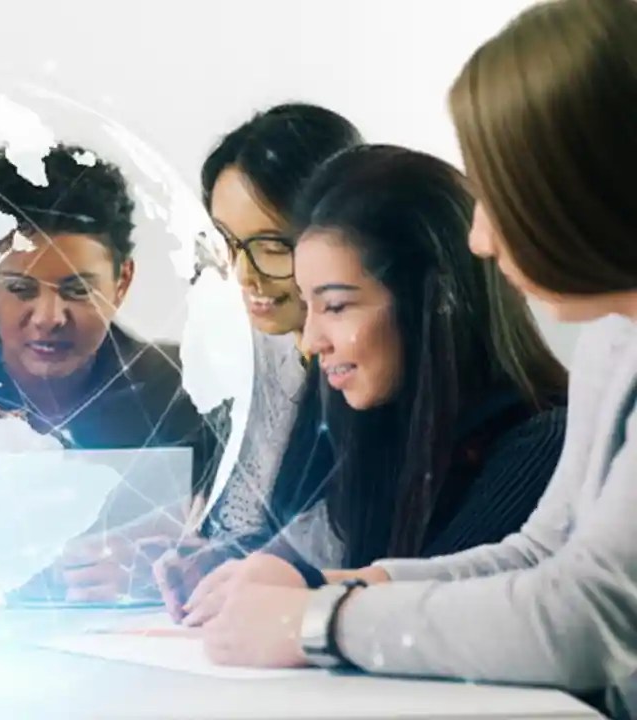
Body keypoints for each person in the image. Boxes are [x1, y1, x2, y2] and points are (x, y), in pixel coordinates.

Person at [196, 1, 637, 715]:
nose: (483, 240)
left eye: (498, 195)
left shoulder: (538, 425)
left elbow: (587, 616)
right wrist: (336, 587)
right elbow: (538, 552)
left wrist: (313, 620)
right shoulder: (614, 342)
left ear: (585, 179)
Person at [169, 144, 568, 622]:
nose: (313, 340)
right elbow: (310, 555)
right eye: (307, 303)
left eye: (336, 307)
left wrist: (303, 599)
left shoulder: (541, 444)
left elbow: (427, 612)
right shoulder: (373, 425)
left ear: (434, 301)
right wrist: (225, 566)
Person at [0, 143, 230, 598]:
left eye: (77, 290)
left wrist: (168, 568)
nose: (48, 317)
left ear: (122, 282)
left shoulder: (182, 392)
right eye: (21, 288)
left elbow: (230, 543)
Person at [79, 104, 363, 603]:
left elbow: (343, 540)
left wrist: (210, 565)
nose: (244, 275)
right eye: (225, 243)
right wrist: (167, 553)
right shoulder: (252, 351)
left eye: (274, 245)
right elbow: (231, 515)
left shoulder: (363, 367)